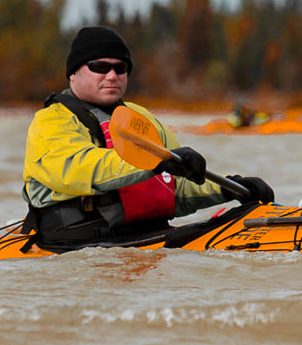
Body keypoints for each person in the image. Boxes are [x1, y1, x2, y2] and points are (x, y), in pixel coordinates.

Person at [22, 26, 274, 248]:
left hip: (148, 234)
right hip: (75, 243)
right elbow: (83, 169)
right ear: (73, 73)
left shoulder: (141, 118)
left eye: (120, 68)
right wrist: (154, 161)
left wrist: (229, 189)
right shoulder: (52, 120)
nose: (112, 75)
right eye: (100, 67)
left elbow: (175, 188)